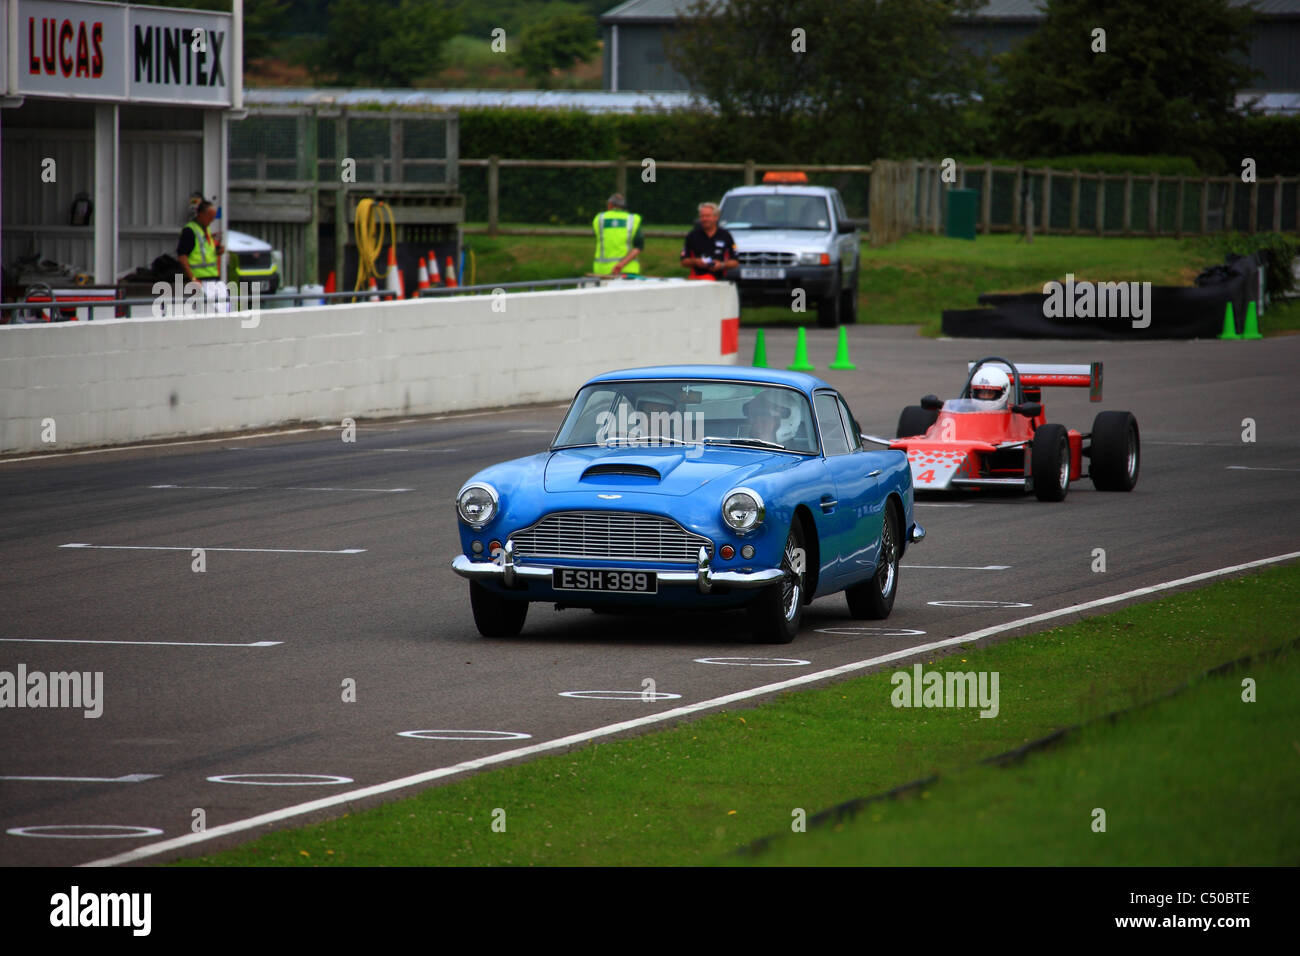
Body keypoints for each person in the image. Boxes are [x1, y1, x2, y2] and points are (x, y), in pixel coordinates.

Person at [177, 200, 228, 313]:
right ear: (201, 214)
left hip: (214, 280)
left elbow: (205, 253)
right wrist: (193, 279)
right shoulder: (190, 231)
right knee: (209, 313)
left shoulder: (205, 229)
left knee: (224, 312)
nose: (212, 221)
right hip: (202, 281)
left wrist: (218, 251)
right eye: (210, 217)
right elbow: (182, 256)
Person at [680, 202, 739, 280]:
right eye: (702, 216)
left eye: (707, 216)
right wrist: (696, 261)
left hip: (720, 280)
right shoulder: (692, 235)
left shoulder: (726, 235)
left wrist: (721, 265)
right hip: (697, 279)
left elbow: (735, 262)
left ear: (716, 217)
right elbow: (683, 261)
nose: (704, 219)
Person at [592, 193, 643, 276]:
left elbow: (598, 236)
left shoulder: (599, 219)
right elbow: (639, 247)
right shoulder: (633, 219)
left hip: (602, 272)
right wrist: (620, 265)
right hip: (627, 271)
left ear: (610, 205)